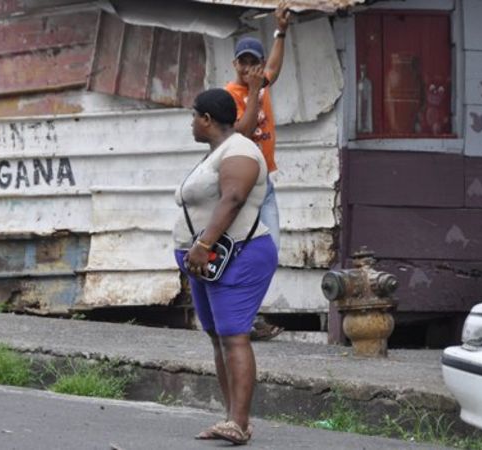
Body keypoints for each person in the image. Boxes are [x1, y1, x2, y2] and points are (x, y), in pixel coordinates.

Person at [173, 88, 277, 445]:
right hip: (209, 261)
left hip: (237, 256)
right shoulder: (218, 152)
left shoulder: (241, 150)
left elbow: (233, 198)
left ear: (206, 119)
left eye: (193, 116)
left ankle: (239, 421)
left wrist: (203, 244)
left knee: (234, 336)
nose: (191, 122)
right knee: (218, 338)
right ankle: (233, 419)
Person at [225, 1, 290, 341]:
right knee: (242, 252)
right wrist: (252, 92)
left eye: (255, 61)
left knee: (270, 252)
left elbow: (275, 69)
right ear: (235, 63)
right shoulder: (229, 95)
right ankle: (240, 316)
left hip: (264, 185)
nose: (249, 67)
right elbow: (244, 131)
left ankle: (247, 314)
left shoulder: (261, 83)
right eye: (243, 61)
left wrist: (281, 31)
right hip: (242, 187)